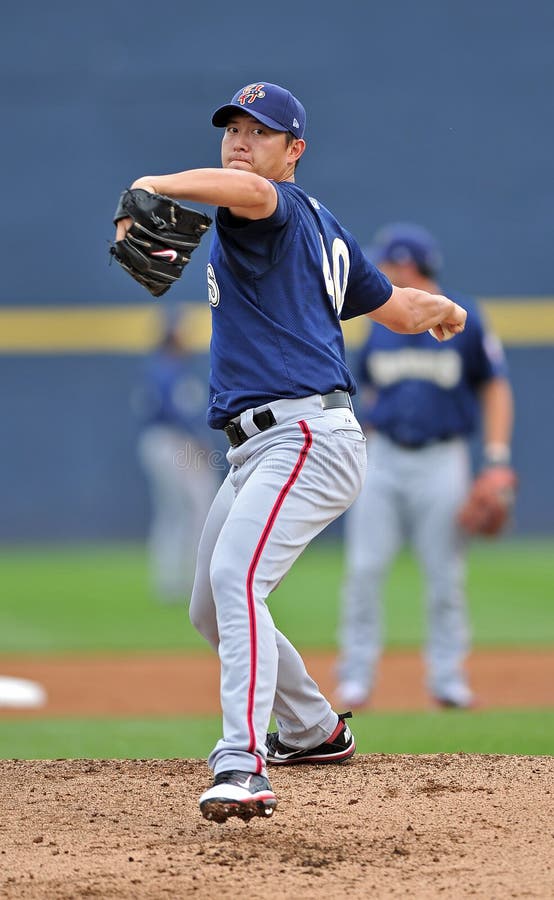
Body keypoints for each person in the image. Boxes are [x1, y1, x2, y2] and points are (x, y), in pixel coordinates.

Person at [114, 82, 467, 823]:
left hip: (305, 435)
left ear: (293, 151)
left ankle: (242, 764)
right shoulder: (323, 226)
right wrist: (433, 308)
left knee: (237, 576)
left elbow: (245, 188)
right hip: (260, 447)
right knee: (211, 604)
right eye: (233, 128)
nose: (241, 142)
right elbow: (392, 306)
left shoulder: (267, 208)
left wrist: (152, 184)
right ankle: (312, 730)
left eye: (261, 132)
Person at [336, 223, 514, 710]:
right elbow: (362, 387)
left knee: (444, 574)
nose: (379, 273)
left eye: (387, 265)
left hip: (443, 458)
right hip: (385, 456)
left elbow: (495, 386)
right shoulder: (380, 323)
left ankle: (448, 677)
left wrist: (496, 459)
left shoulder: (465, 318)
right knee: (364, 569)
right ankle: (355, 677)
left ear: (407, 267)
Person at [133, 308, 220, 603]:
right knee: (196, 507)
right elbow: (174, 413)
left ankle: (172, 580)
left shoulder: (167, 368)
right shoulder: (166, 369)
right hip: (173, 442)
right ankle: (192, 579)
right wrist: (198, 441)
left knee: (177, 511)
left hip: (165, 443)